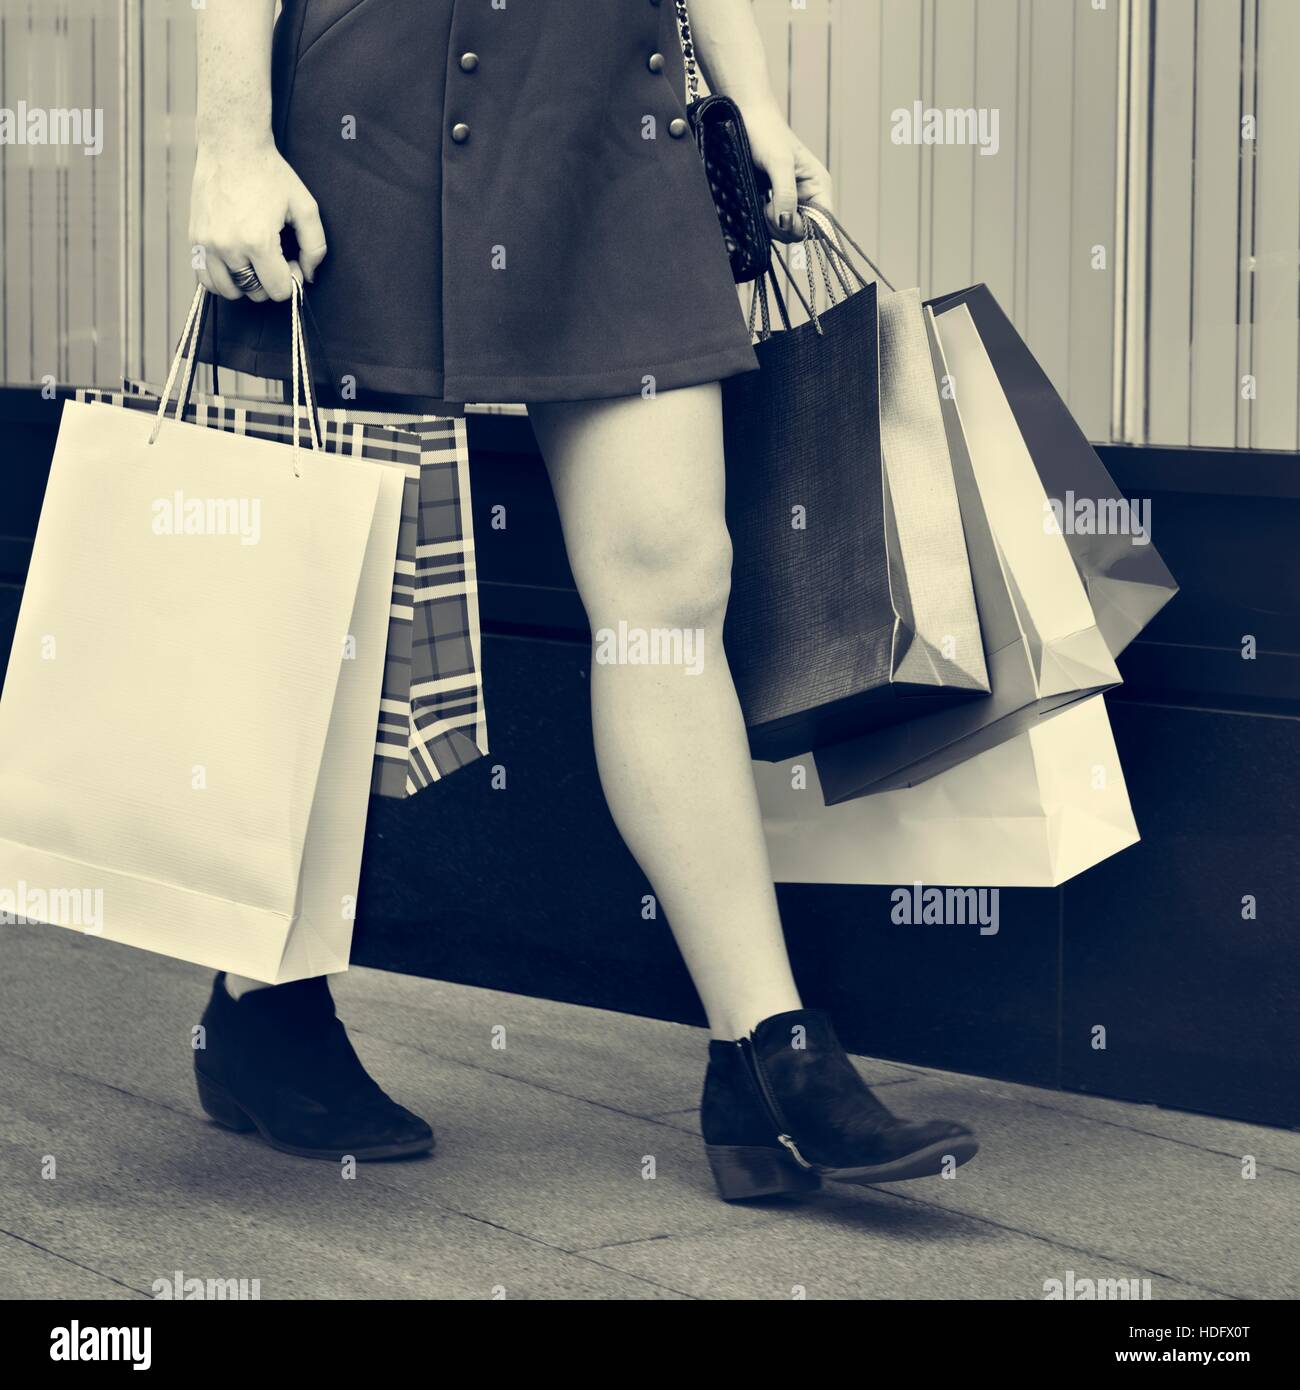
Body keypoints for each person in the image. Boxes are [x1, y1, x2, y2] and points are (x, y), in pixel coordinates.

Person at [187, 0, 977, 1200]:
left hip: (612, 116)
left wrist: (752, 99)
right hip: (373, 106)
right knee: (334, 570)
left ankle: (764, 1051)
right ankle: (259, 996)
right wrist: (232, 140)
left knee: (673, 578)